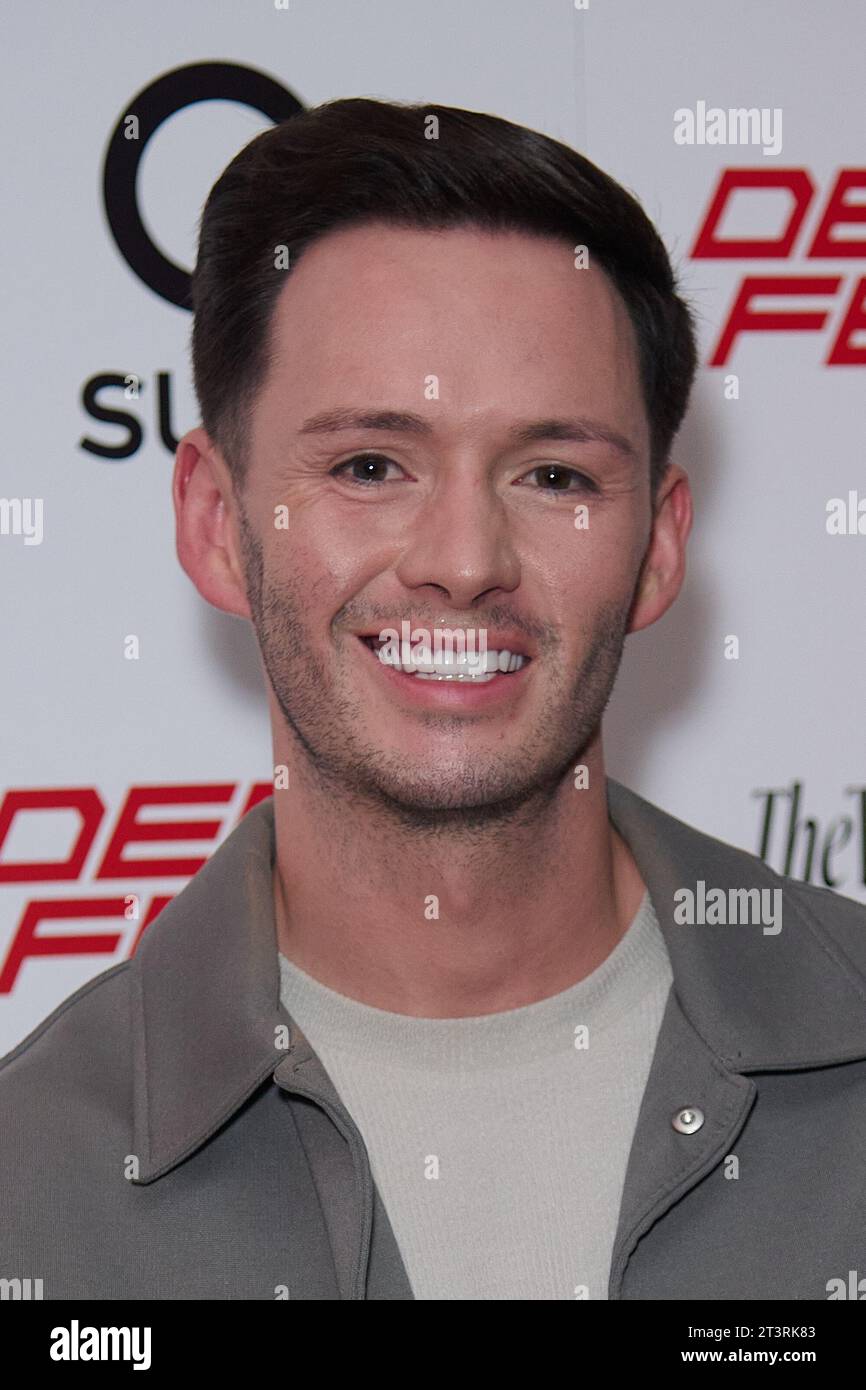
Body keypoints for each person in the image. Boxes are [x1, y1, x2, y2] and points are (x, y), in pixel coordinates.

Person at [2, 97, 865, 1302]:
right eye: (367, 465)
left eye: (553, 473)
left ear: (659, 547)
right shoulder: (32, 1183)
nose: (463, 558)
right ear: (214, 520)